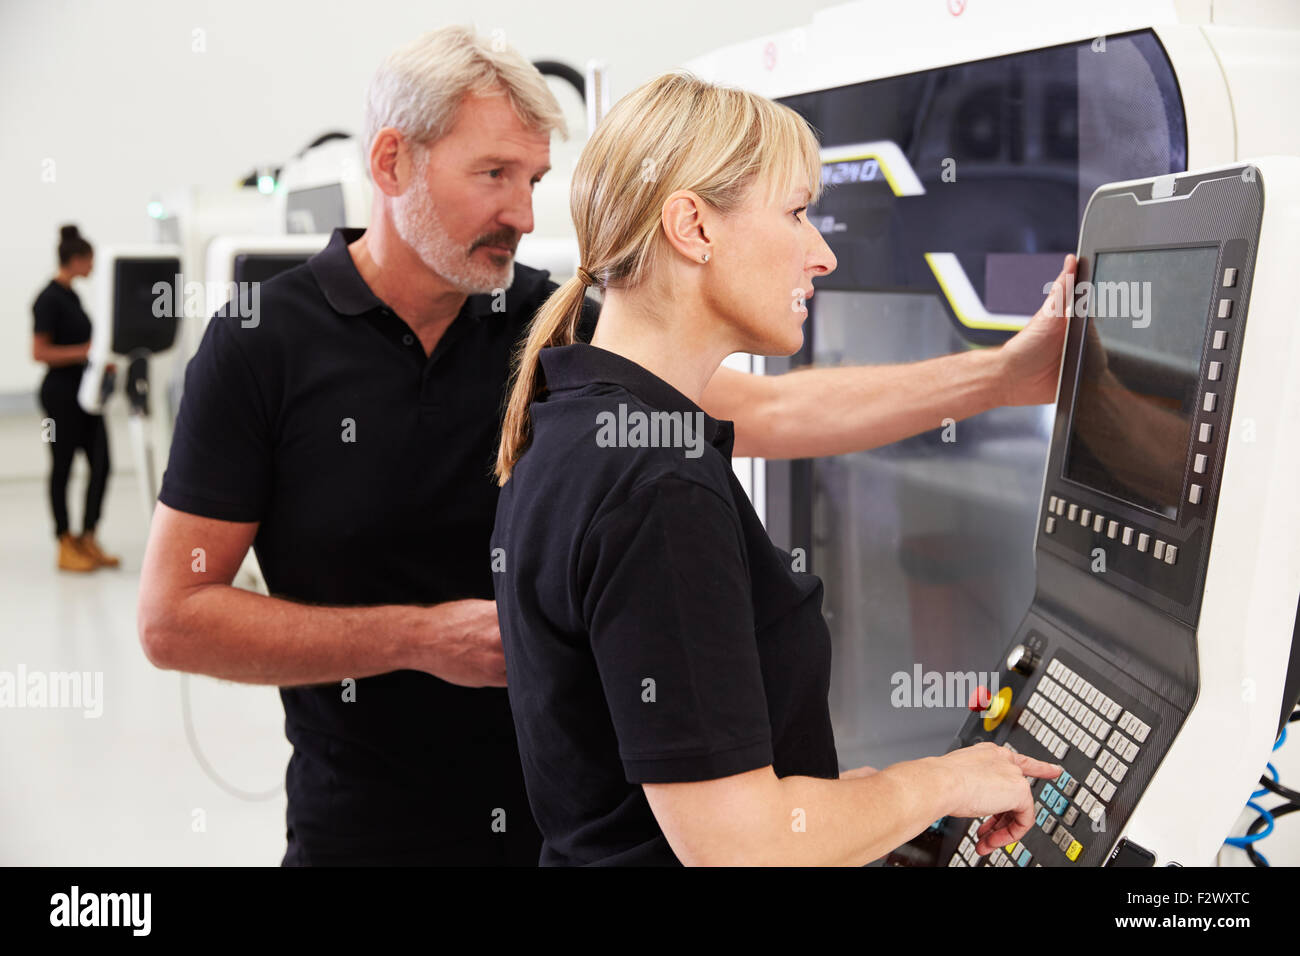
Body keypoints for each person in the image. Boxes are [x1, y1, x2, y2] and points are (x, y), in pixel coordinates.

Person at [138, 26, 1072, 866]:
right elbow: (173, 616)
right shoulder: (266, 343)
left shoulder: (546, 331)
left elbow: (774, 411)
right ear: (392, 162)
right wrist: (422, 637)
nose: (518, 209)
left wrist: (1007, 378)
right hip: (379, 817)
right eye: (492, 174)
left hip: (582, 799)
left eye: (536, 181)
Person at [491, 72, 1067, 865]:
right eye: (798, 213)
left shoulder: (572, 419)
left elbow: (667, 786)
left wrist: (840, 803)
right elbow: (741, 849)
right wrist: (940, 783)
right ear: (692, 226)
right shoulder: (657, 484)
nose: (822, 253)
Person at [31, 224, 120, 573]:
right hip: (58, 398)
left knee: (102, 463)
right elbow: (39, 352)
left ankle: (88, 536)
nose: (93, 267)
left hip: (86, 395)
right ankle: (64, 541)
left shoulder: (72, 297)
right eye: (91, 261)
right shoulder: (48, 299)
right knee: (62, 466)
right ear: (77, 259)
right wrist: (85, 351)